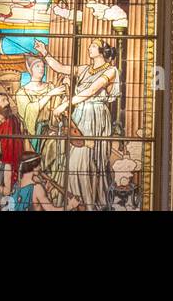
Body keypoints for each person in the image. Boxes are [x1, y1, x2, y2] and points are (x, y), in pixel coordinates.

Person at [34, 39, 120, 210]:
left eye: (94, 45)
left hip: (95, 117)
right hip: (79, 115)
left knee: (85, 162)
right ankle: (74, 202)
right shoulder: (84, 69)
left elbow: (90, 91)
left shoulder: (111, 71)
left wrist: (65, 105)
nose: (89, 47)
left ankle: (88, 203)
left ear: (103, 50)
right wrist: (44, 52)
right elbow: (59, 67)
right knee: (72, 159)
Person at [14, 52, 67, 149]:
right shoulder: (21, 92)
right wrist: (50, 94)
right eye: (37, 66)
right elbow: (29, 112)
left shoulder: (50, 87)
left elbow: (57, 107)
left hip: (52, 131)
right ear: (30, 70)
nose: (41, 69)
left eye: (43, 66)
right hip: (33, 135)